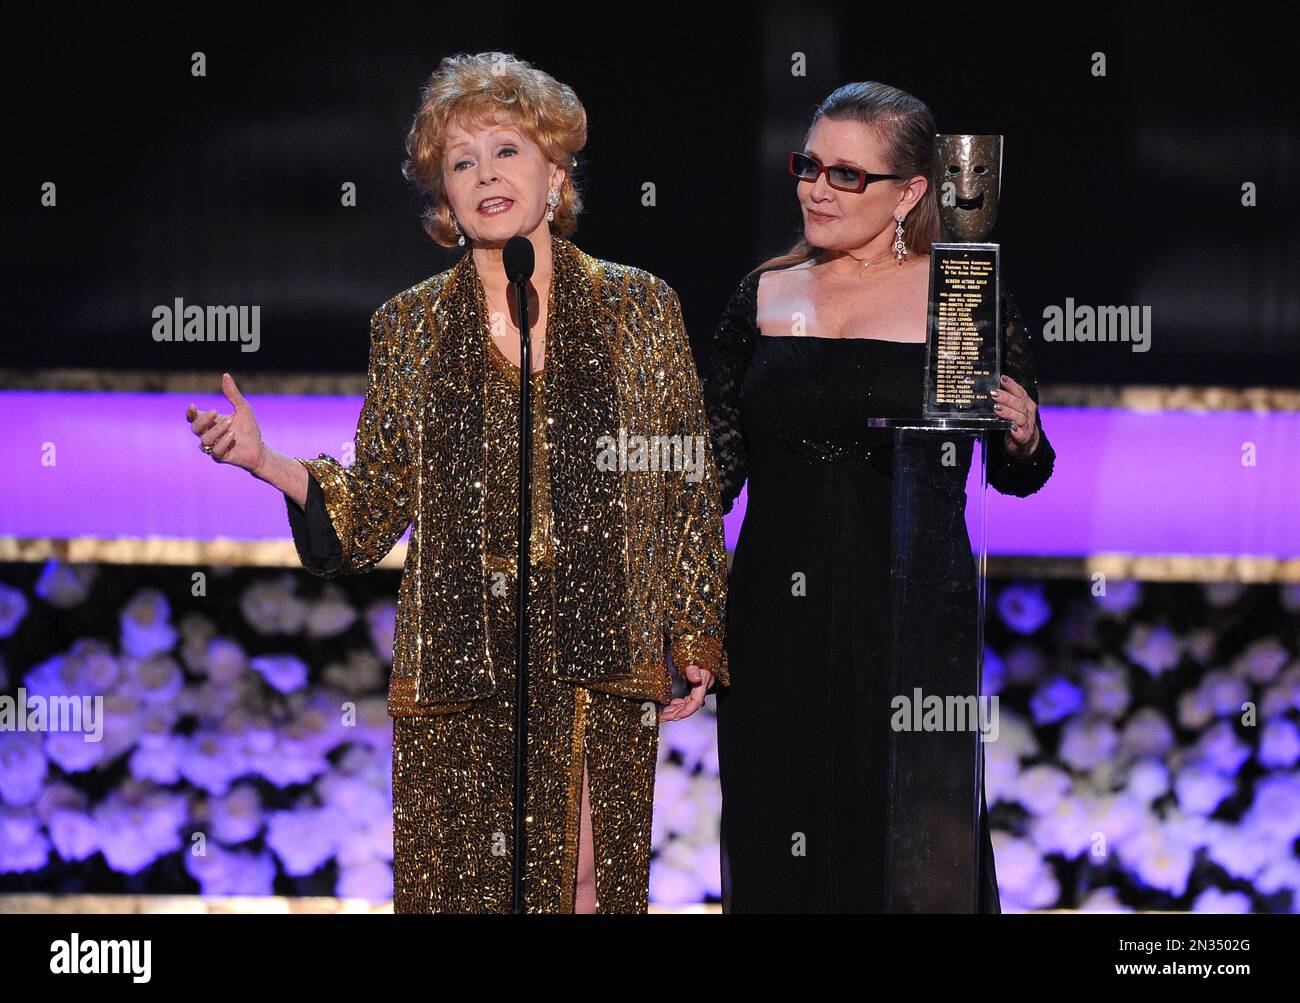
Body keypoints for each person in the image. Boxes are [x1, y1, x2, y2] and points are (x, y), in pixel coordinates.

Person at [183, 51, 729, 913]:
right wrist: (266, 461)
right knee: (466, 894)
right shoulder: (407, 327)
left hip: (599, 653)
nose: (486, 176)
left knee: (588, 883)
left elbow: (683, 484)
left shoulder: (638, 307)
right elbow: (371, 512)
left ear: (556, 169)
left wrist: (694, 631)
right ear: (444, 195)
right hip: (461, 665)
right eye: (462, 163)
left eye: (506, 151)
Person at [705, 81, 1056, 913]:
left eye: (846, 175)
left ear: (911, 193)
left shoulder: (963, 295)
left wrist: (1024, 434)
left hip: (909, 621)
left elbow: (1017, 472)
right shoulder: (762, 297)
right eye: (808, 166)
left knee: (907, 844)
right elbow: (710, 473)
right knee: (777, 827)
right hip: (772, 616)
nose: (815, 188)